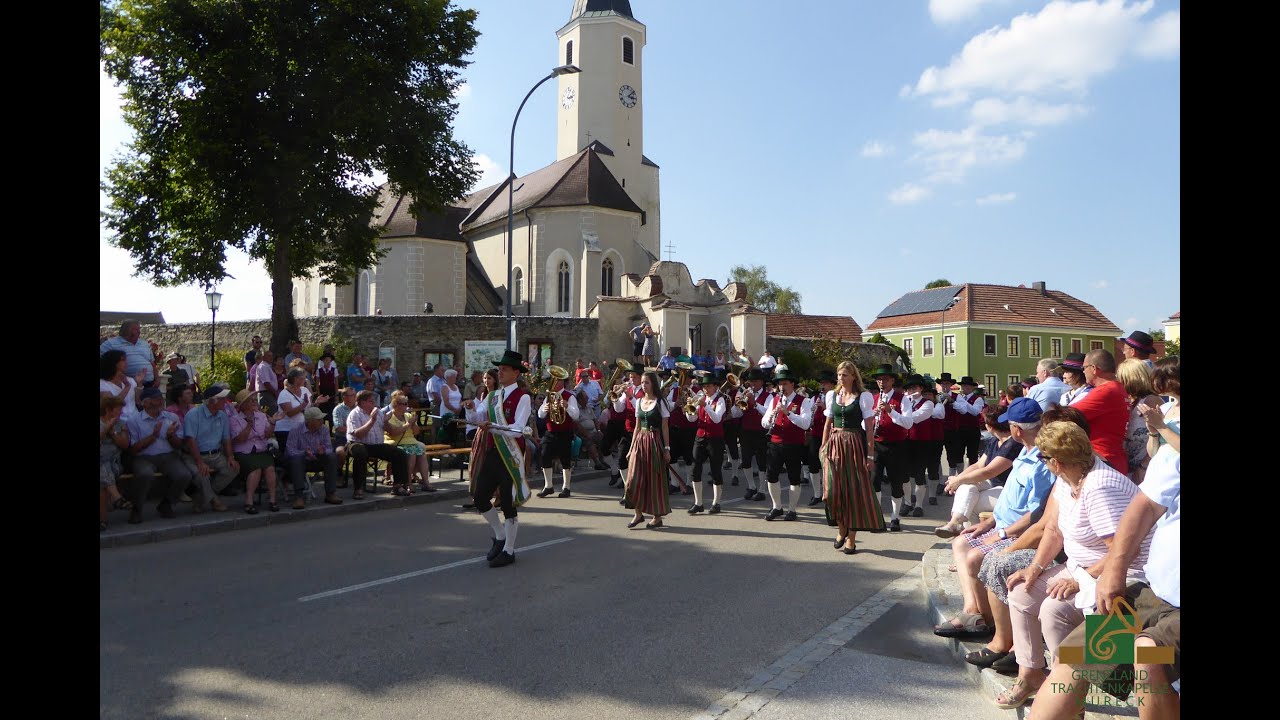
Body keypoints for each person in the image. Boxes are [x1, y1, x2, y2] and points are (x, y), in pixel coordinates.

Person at [994, 421, 1156, 710]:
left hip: (1126, 575)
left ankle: (1068, 693)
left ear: (1055, 462)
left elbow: (1123, 551)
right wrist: (1036, 567)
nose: (1042, 462)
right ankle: (1030, 674)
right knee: (1021, 593)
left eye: (1043, 457)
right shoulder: (1068, 479)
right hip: (1082, 566)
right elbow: (1054, 531)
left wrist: (1081, 580)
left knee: (1053, 609)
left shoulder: (1100, 487)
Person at [1032, 445, 1180, 719]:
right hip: (1156, 593)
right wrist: (1114, 566)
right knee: (1075, 658)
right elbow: (1146, 504)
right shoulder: (1175, 446)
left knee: (1148, 656)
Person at [934, 398, 1055, 642]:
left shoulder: (1041, 462)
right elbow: (1010, 496)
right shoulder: (1024, 451)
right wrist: (989, 523)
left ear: (1017, 430)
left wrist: (1002, 533)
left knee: (976, 556)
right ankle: (973, 612)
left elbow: (1036, 515)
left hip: (1020, 532)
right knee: (961, 542)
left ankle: (992, 625)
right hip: (1003, 525)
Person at [465, 351, 534, 567]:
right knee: (480, 497)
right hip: (494, 452)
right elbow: (478, 418)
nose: (500, 372)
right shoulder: (492, 396)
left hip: (511, 454)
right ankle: (500, 536)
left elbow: (517, 430)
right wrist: (470, 410)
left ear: (516, 372)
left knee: (507, 502)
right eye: (499, 368)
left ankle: (509, 550)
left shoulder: (522, 397)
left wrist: (493, 426)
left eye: (504, 369)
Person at [821, 361, 883, 552]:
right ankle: (841, 528)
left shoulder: (863, 397)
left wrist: (870, 456)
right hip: (835, 443)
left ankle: (851, 539)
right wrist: (823, 447)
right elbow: (828, 422)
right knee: (832, 492)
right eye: (839, 374)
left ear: (854, 376)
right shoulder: (832, 395)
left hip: (854, 444)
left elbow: (870, 428)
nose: (841, 378)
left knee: (853, 492)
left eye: (845, 375)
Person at [935, 406, 1021, 537]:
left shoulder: (1013, 444)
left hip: (1008, 491)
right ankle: (954, 524)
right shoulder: (995, 441)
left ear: (989, 426)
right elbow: (978, 465)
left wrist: (958, 480)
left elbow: (989, 471)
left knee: (971, 502)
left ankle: (970, 537)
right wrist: (956, 480)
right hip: (993, 486)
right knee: (966, 489)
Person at [126, 387, 196, 523]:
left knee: (184, 475)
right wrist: (153, 437)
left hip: (168, 456)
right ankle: (136, 509)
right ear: (145, 403)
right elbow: (133, 449)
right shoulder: (134, 421)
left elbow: (179, 445)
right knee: (145, 474)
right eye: (156, 400)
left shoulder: (171, 418)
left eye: (161, 399)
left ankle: (167, 504)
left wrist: (171, 436)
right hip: (144, 457)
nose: (160, 402)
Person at [760, 366, 815, 521]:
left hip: (793, 444)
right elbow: (764, 422)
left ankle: (792, 509)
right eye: (779, 384)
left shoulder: (804, 401)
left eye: (785, 383)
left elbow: (805, 424)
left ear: (792, 384)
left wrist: (788, 413)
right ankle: (777, 506)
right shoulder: (775, 399)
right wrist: (771, 417)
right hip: (775, 443)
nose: (782, 387)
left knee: (794, 477)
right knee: (771, 476)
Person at [623, 370, 673, 529]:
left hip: (654, 442)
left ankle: (657, 517)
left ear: (653, 384)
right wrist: (631, 449)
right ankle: (638, 513)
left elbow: (665, 427)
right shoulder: (638, 402)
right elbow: (637, 427)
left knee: (653, 480)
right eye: (642, 382)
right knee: (633, 479)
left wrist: (667, 449)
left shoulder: (661, 402)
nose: (643, 386)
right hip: (639, 442)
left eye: (647, 383)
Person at [867, 364, 913, 531]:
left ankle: (895, 517)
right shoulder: (873, 399)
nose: (881, 382)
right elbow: (863, 425)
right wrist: (873, 415)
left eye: (885, 379)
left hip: (897, 446)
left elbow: (908, 423)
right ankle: (877, 516)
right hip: (877, 444)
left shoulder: (903, 399)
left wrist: (890, 412)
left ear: (892, 380)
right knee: (874, 481)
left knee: (896, 483)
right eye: (879, 379)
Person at [1070, 349, 1130, 475]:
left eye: (1084, 367)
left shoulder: (1105, 391)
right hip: (1112, 457)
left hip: (1102, 460)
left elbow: (1066, 415)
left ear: (1094, 368)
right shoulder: (1118, 388)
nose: (1083, 371)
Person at [183, 386, 240, 513]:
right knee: (202, 474)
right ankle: (215, 501)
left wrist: (230, 457)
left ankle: (201, 498)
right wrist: (199, 462)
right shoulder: (193, 415)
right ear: (212, 401)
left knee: (233, 468)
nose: (226, 401)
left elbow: (226, 439)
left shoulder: (222, 416)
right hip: (194, 455)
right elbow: (190, 441)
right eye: (222, 398)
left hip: (215, 454)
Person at [347, 389, 410, 499]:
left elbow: (390, 430)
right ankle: (358, 489)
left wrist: (386, 421)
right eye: (371, 401)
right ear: (363, 402)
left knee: (399, 453)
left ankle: (398, 486)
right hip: (358, 443)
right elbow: (358, 434)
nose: (374, 403)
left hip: (376, 445)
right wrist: (372, 420)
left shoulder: (378, 412)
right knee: (360, 452)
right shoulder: (354, 414)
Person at [228, 390, 281, 513]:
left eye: (254, 400)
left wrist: (273, 424)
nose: (254, 402)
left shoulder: (261, 416)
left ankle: (272, 500)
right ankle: (249, 500)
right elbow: (241, 439)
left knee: (270, 469)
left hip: (261, 450)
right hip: (244, 452)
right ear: (243, 404)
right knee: (255, 469)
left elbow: (267, 435)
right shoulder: (234, 419)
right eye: (250, 400)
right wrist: (249, 424)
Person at [901, 375, 945, 515]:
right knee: (905, 475)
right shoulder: (904, 401)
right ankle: (908, 502)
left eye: (914, 387)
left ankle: (919, 505)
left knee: (920, 474)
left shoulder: (928, 403)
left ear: (921, 388)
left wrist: (898, 416)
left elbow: (916, 418)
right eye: (909, 388)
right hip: (905, 442)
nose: (911, 390)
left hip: (921, 442)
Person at [686, 373, 728, 515]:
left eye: (708, 386)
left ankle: (716, 503)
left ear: (715, 387)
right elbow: (692, 420)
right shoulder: (700, 399)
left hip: (715, 438)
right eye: (704, 386)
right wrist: (689, 408)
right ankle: (698, 503)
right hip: (700, 436)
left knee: (715, 470)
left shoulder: (721, 400)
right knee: (695, 468)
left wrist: (707, 406)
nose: (705, 389)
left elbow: (717, 419)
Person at [535, 369, 581, 498]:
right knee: (544, 455)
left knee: (565, 458)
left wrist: (566, 407)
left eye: (557, 380)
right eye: (553, 379)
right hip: (550, 431)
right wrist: (545, 408)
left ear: (562, 382)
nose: (553, 382)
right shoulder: (549, 395)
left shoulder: (569, 396)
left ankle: (566, 487)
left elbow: (576, 415)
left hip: (564, 431)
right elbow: (540, 414)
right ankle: (548, 486)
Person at [286, 406, 344, 508]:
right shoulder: (296, 430)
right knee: (296, 460)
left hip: (318, 458)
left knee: (332, 457)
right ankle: (299, 497)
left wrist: (323, 451)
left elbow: (329, 448)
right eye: (319, 419)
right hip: (302, 460)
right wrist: (304, 453)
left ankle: (330, 493)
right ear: (310, 421)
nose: (322, 421)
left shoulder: (324, 429)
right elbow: (290, 451)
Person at [1117, 359, 1163, 484]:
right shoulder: (1130, 401)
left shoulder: (1151, 401)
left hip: (1146, 470)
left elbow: (1162, 437)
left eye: (1120, 378)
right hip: (1130, 469)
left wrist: (1144, 466)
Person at [382, 390, 433, 494]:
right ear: (397, 405)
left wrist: (413, 424)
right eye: (404, 404)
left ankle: (426, 482)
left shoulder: (408, 416)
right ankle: (408, 483)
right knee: (412, 453)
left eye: (406, 404)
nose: (406, 406)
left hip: (410, 441)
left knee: (422, 454)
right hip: (395, 442)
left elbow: (416, 432)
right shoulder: (389, 416)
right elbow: (394, 432)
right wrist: (407, 425)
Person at [735, 368, 773, 501]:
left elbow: (768, 414)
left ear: (762, 382)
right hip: (746, 430)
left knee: (761, 461)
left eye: (755, 381)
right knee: (745, 460)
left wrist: (754, 403)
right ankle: (751, 486)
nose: (752, 384)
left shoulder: (769, 396)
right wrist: (737, 403)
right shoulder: (746, 393)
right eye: (750, 381)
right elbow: (736, 414)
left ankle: (762, 489)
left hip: (761, 431)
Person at [100, 395, 134, 531]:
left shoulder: (120, 424)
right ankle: (117, 498)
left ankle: (103, 520)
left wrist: (113, 432)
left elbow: (125, 445)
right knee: (101, 483)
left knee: (102, 469)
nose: (121, 412)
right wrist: (107, 427)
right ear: (108, 410)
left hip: (114, 463)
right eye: (119, 409)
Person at [805, 370, 837, 507]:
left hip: (831, 434)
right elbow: (809, 414)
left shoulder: (836, 397)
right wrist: (812, 411)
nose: (823, 386)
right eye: (821, 383)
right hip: (816, 434)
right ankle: (817, 494)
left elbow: (836, 416)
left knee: (829, 464)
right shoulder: (815, 397)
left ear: (832, 384)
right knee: (813, 463)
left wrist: (824, 407)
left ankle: (830, 492)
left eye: (825, 383)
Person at [1138, 358, 1180, 457]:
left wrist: (1160, 426)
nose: (1153, 383)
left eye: (1156, 378)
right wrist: (1153, 431)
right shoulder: (1165, 408)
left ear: (1172, 379)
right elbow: (1152, 454)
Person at [100, 319, 156, 386]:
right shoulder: (110, 344)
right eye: (135, 329)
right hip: (125, 385)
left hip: (149, 384)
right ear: (125, 330)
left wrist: (157, 379)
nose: (139, 332)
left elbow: (152, 363)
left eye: (139, 329)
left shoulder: (144, 344)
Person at [953, 376, 987, 474]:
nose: (964, 388)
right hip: (960, 429)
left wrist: (962, 402)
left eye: (967, 386)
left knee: (972, 455)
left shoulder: (978, 399)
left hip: (972, 430)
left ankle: (971, 476)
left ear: (972, 387)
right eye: (963, 386)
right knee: (958, 455)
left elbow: (975, 412)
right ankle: (960, 475)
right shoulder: (961, 398)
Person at [100, 349, 143, 423]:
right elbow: (112, 404)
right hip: (117, 421)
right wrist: (127, 387)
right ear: (113, 362)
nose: (126, 363)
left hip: (136, 419)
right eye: (123, 360)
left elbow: (138, 401)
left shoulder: (130, 380)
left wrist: (139, 383)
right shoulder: (102, 383)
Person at [438, 369, 464, 446]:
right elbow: (446, 401)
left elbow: (459, 398)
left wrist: (460, 407)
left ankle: (452, 447)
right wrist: (454, 409)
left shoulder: (456, 386)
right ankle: (444, 450)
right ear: (448, 378)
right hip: (447, 412)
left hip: (456, 413)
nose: (455, 379)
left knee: (453, 430)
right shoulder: (444, 387)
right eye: (454, 377)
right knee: (447, 431)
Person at [313, 352, 341, 419]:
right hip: (323, 392)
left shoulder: (334, 370)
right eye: (326, 360)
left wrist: (336, 395)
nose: (328, 362)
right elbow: (317, 384)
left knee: (331, 411)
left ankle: (331, 427)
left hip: (331, 393)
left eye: (329, 360)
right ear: (323, 361)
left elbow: (336, 383)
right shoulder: (319, 371)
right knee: (322, 410)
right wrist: (319, 395)